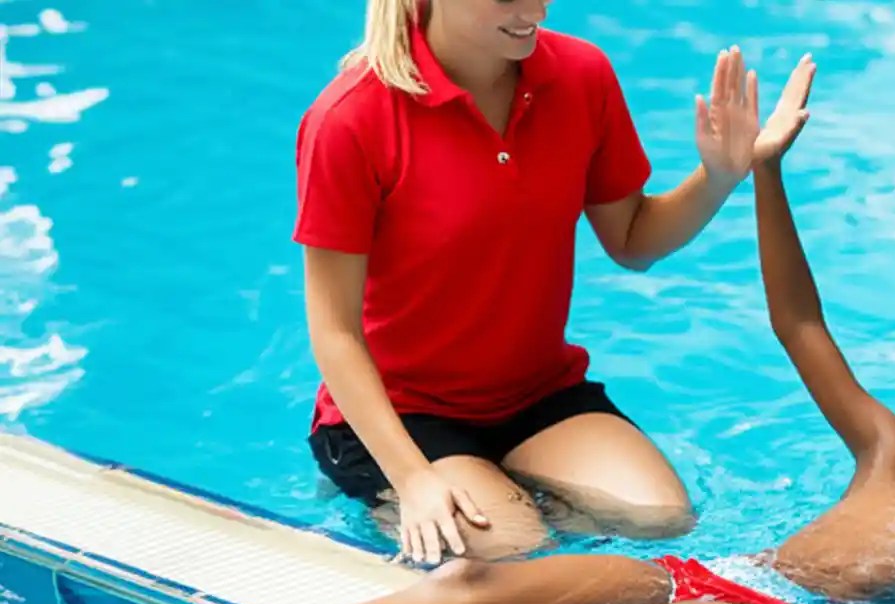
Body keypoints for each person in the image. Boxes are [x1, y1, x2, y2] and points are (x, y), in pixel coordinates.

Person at [88, 55, 895, 604]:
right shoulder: (883, 453)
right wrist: (762, 174)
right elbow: (799, 323)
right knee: (475, 587)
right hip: (720, 569)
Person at [296, 0, 762, 564]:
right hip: (403, 415)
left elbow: (634, 241)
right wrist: (413, 479)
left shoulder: (581, 75)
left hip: (537, 395)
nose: (535, 9)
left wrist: (718, 177)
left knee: (662, 522)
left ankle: (500, 491)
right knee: (518, 553)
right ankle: (390, 498)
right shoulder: (351, 119)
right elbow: (334, 330)